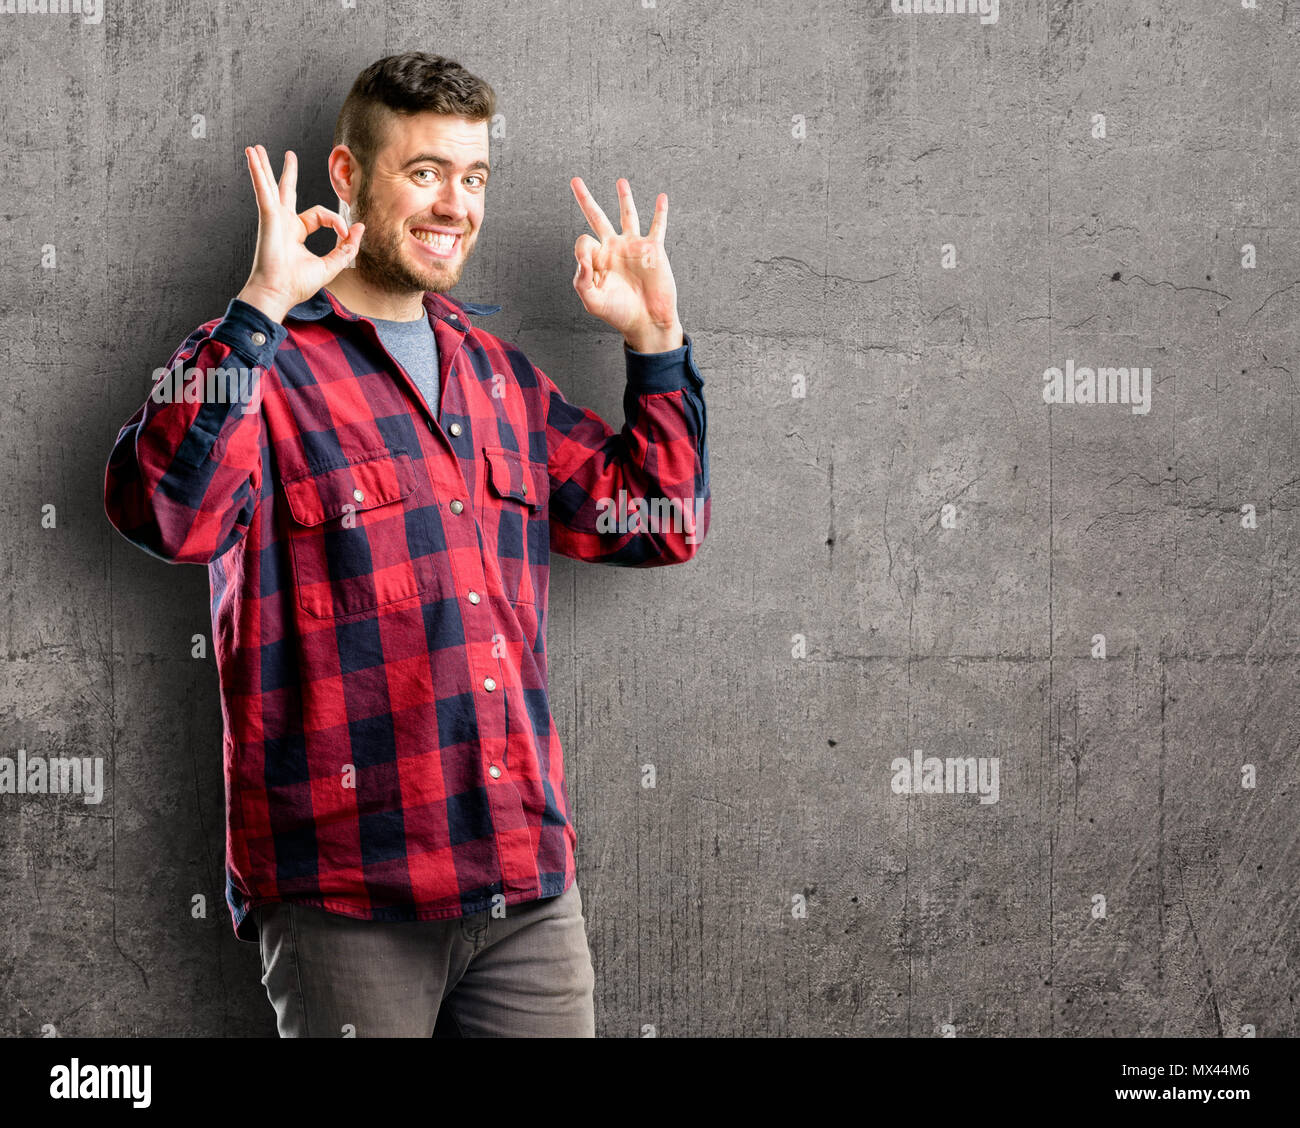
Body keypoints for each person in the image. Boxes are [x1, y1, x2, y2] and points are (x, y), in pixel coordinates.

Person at [103, 51, 710, 1037]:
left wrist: (653, 340)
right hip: (348, 897)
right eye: (424, 172)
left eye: (473, 178)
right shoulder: (265, 368)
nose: (454, 206)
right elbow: (164, 514)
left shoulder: (498, 379)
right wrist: (256, 312)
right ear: (347, 178)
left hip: (525, 891)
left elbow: (659, 520)